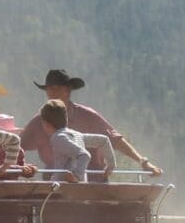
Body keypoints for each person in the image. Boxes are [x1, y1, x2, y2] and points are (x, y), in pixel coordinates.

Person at [19, 68, 163, 178]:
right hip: (54, 180)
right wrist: (21, 167)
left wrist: (143, 162)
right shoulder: (39, 121)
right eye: (49, 89)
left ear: (68, 91)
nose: (52, 93)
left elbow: (115, 140)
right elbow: (19, 146)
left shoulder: (87, 116)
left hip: (94, 179)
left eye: (56, 88)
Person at [38, 98, 90, 182]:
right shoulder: (76, 134)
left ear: (45, 123)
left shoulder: (58, 137)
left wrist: (76, 177)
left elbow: (84, 155)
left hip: (66, 190)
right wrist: (111, 164)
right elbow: (103, 140)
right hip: (76, 189)